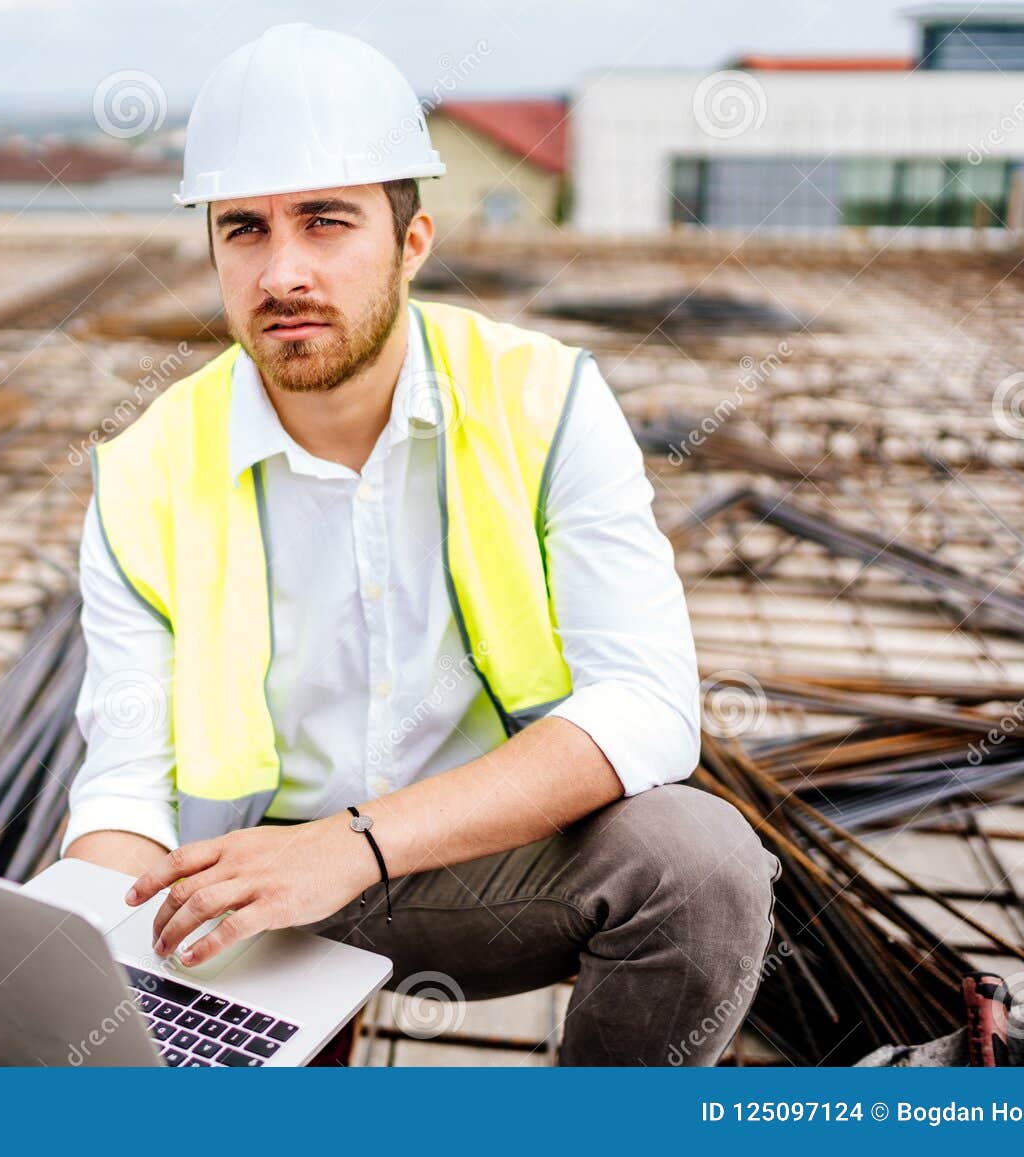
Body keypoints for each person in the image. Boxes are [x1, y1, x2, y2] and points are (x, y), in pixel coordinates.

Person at [63, 23, 780, 1066]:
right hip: (249, 894)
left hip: (478, 859)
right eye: (244, 230)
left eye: (325, 221)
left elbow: (646, 705)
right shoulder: (142, 471)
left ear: (412, 241)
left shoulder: (544, 400)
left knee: (701, 863)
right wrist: (72, 961)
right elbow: (127, 783)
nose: (283, 272)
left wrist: (352, 845)